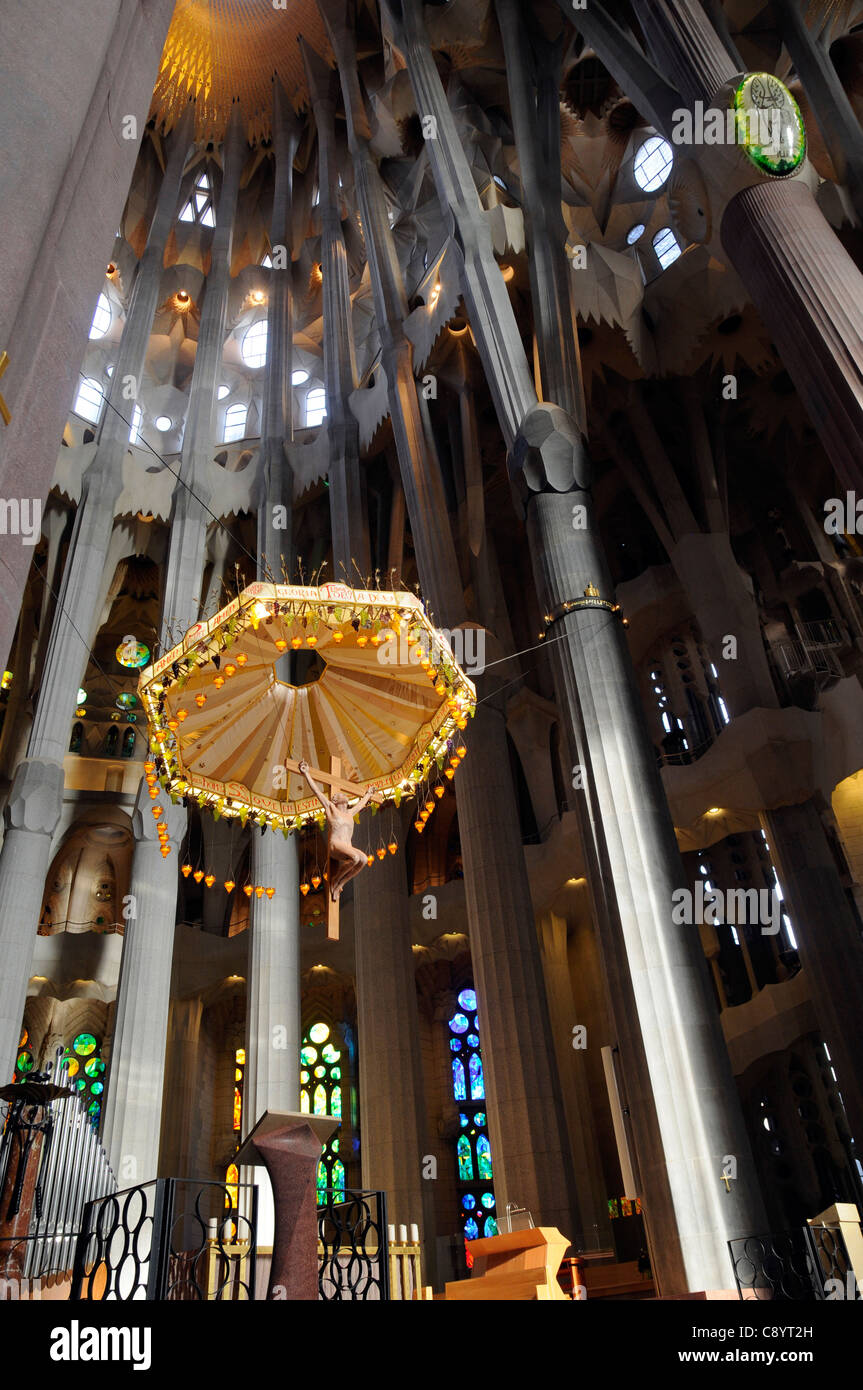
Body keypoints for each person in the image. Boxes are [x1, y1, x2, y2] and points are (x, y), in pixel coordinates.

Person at [297, 759, 381, 901]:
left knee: (364, 860)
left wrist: (368, 794)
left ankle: (340, 883)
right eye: (340, 795)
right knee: (355, 858)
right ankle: (335, 879)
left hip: (347, 847)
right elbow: (317, 792)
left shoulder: (349, 813)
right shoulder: (331, 808)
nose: (343, 794)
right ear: (335, 800)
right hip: (335, 845)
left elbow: (361, 804)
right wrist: (306, 774)